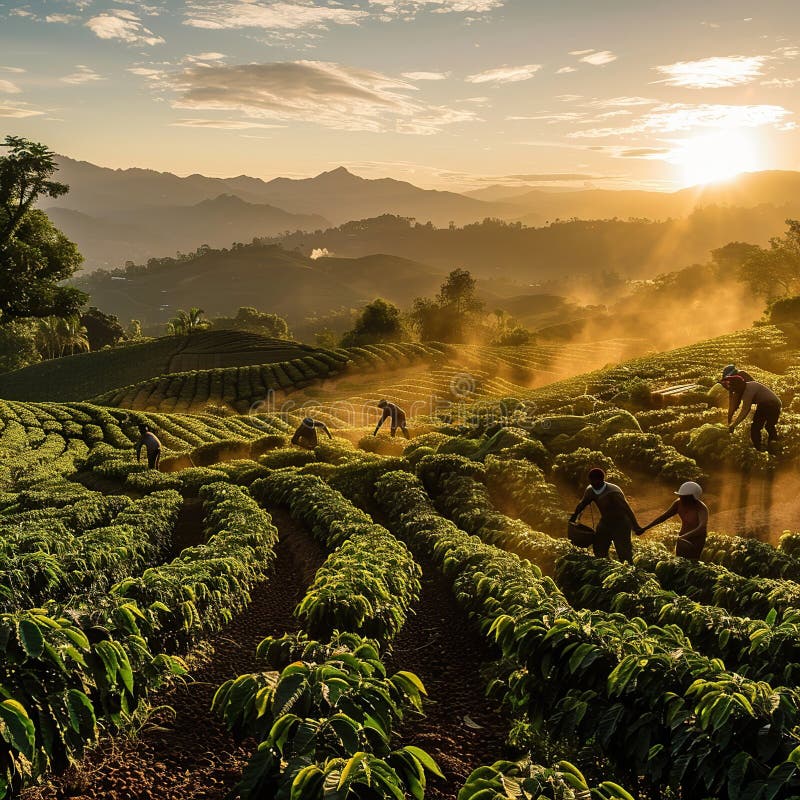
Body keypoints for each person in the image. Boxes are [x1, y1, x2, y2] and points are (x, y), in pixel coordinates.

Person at [569, 468, 642, 564]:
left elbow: (627, 509)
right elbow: (582, 504)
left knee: (624, 554)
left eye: (596, 482)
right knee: (599, 550)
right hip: (605, 523)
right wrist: (573, 518)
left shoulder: (613, 492)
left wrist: (636, 526)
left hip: (621, 524)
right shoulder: (590, 490)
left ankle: (630, 573)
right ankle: (606, 567)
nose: (594, 484)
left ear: (602, 480)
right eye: (591, 482)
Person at [641, 481, 708, 560]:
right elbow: (663, 517)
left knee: (692, 562)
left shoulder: (701, 508)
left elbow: (701, 527)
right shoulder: (678, 503)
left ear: (693, 497)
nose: (681, 498)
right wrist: (645, 528)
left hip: (696, 539)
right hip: (682, 536)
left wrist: (684, 536)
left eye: (684, 497)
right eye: (680, 496)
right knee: (679, 561)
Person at [723, 374, 781, 450]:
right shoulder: (747, 387)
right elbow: (736, 407)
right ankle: (774, 446)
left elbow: (745, 410)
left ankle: (759, 449)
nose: (734, 391)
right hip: (776, 404)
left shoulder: (748, 390)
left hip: (769, 404)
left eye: (734, 388)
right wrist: (730, 420)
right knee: (769, 426)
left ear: (739, 386)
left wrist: (733, 425)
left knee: (755, 428)